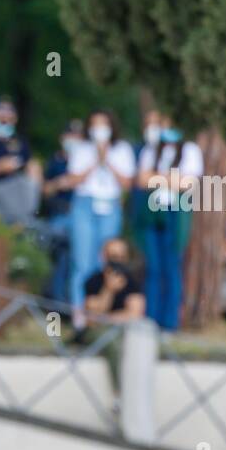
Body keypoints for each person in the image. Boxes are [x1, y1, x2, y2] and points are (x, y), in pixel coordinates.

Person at [66, 110, 136, 328]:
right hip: (85, 205)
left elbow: (127, 183)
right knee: (82, 262)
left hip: (110, 205)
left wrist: (108, 160)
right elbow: (73, 179)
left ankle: (104, 312)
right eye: (94, 125)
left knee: (106, 261)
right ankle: (80, 315)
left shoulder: (122, 149)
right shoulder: (82, 149)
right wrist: (96, 159)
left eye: (103, 124)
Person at [135, 111, 203, 331]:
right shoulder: (151, 150)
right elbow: (142, 180)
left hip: (176, 214)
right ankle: (150, 320)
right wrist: (169, 179)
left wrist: (158, 178)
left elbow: (188, 182)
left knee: (172, 267)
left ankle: (170, 322)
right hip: (154, 213)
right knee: (153, 267)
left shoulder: (190, 150)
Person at [41, 119, 84, 302]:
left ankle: (69, 303)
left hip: (80, 216)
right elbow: (45, 189)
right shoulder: (55, 161)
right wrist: (60, 183)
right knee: (57, 258)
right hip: (59, 215)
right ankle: (55, 303)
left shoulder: (85, 163)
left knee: (76, 260)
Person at [0, 97, 38, 227]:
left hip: (18, 196)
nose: (5, 114)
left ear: (15, 118)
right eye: (1, 109)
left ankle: (29, 217)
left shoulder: (20, 142)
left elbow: (31, 167)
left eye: (9, 111)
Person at [83, 237, 146, 324]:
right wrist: (109, 290)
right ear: (104, 257)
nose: (118, 261)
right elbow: (91, 319)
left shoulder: (132, 282)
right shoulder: (93, 281)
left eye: (122, 257)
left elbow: (136, 314)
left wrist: (106, 319)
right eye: (114, 257)